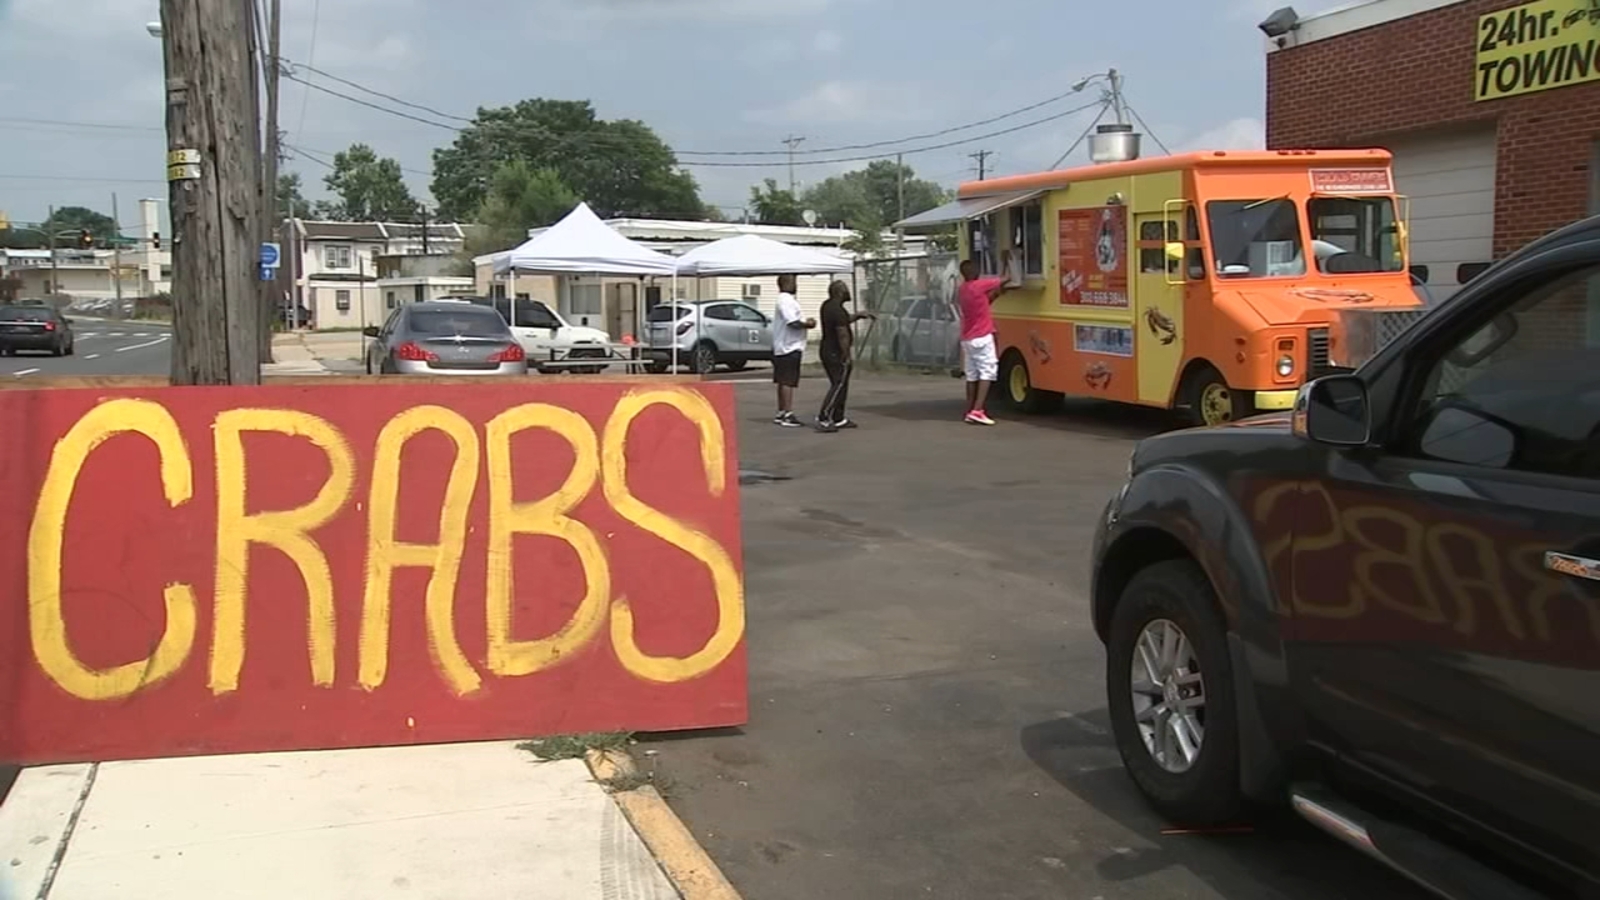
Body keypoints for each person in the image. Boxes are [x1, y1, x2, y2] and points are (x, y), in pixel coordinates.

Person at [956, 258, 1011, 426]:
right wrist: (1010, 260)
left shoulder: (963, 290)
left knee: (972, 375)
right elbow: (1006, 279)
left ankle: (969, 409)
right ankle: (978, 410)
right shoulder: (979, 285)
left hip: (968, 338)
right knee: (987, 372)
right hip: (982, 337)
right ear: (976, 273)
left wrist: (995, 294)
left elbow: (985, 302)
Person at [815, 280, 875, 433]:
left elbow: (843, 320)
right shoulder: (837, 310)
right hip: (835, 352)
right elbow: (842, 333)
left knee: (841, 384)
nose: (848, 292)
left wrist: (858, 316)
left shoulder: (828, 306)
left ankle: (838, 418)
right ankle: (824, 417)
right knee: (838, 384)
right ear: (840, 292)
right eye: (846, 290)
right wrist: (846, 354)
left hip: (827, 350)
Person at [771, 273, 814, 427]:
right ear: (786, 283)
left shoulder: (785, 300)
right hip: (789, 346)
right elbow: (792, 323)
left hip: (783, 346)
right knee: (788, 381)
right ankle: (788, 413)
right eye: (793, 281)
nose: (796, 284)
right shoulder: (786, 300)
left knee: (783, 380)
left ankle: (781, 411)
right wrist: (808, 324)